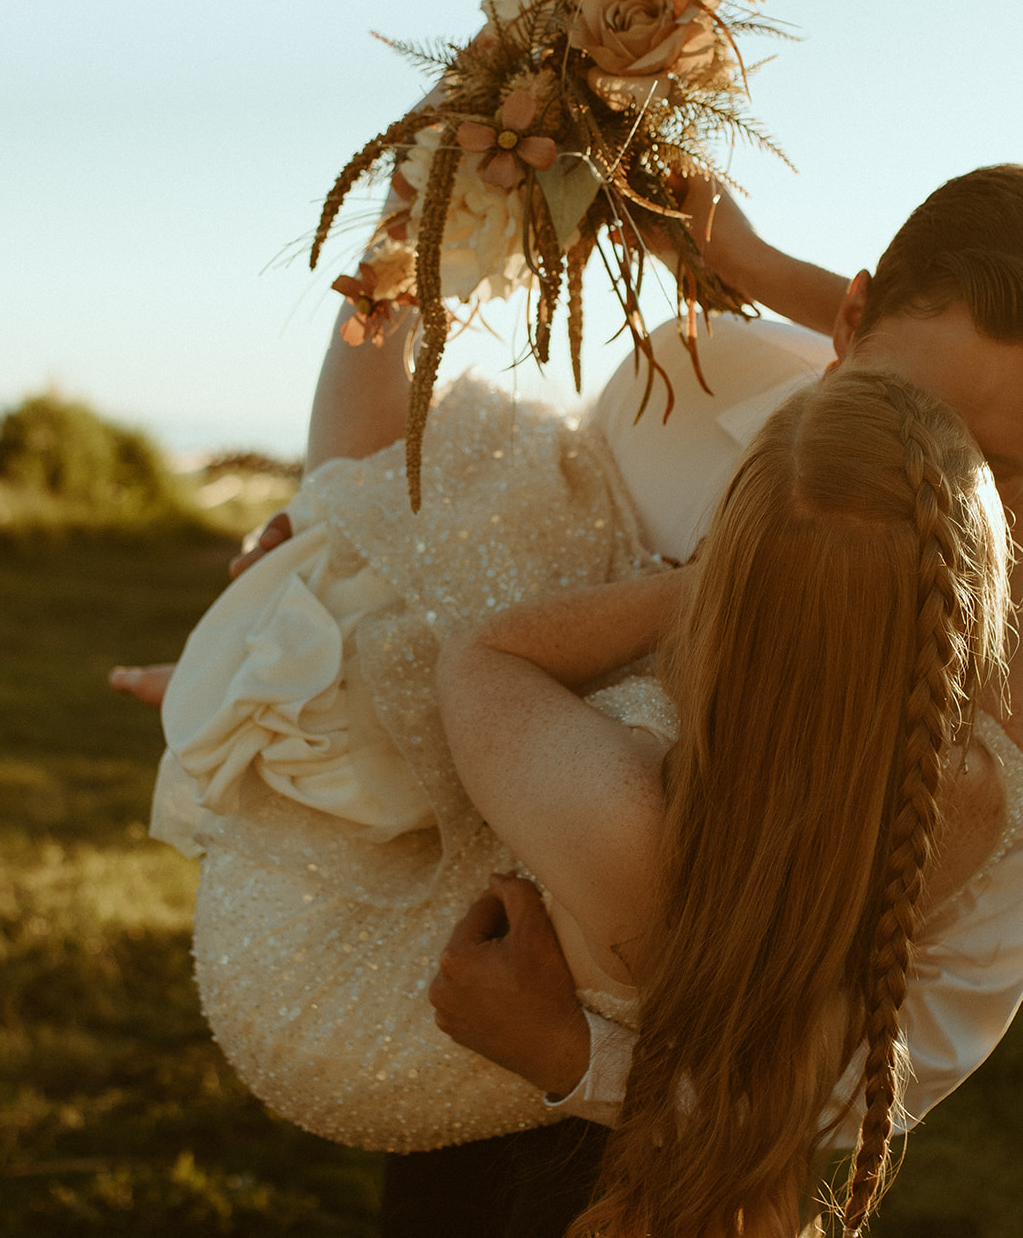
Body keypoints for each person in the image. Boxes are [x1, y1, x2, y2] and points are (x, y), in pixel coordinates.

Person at [113, 165, 1023, 1232]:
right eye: (906, 409)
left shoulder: (987, 752)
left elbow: (897, 1059)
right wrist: (315, 595)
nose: (938, 483)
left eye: (1003, 464)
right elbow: (469, 547)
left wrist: (572, 1055)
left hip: (661, 1126)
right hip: (437, 971)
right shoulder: (689, 391)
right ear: (850, 324)